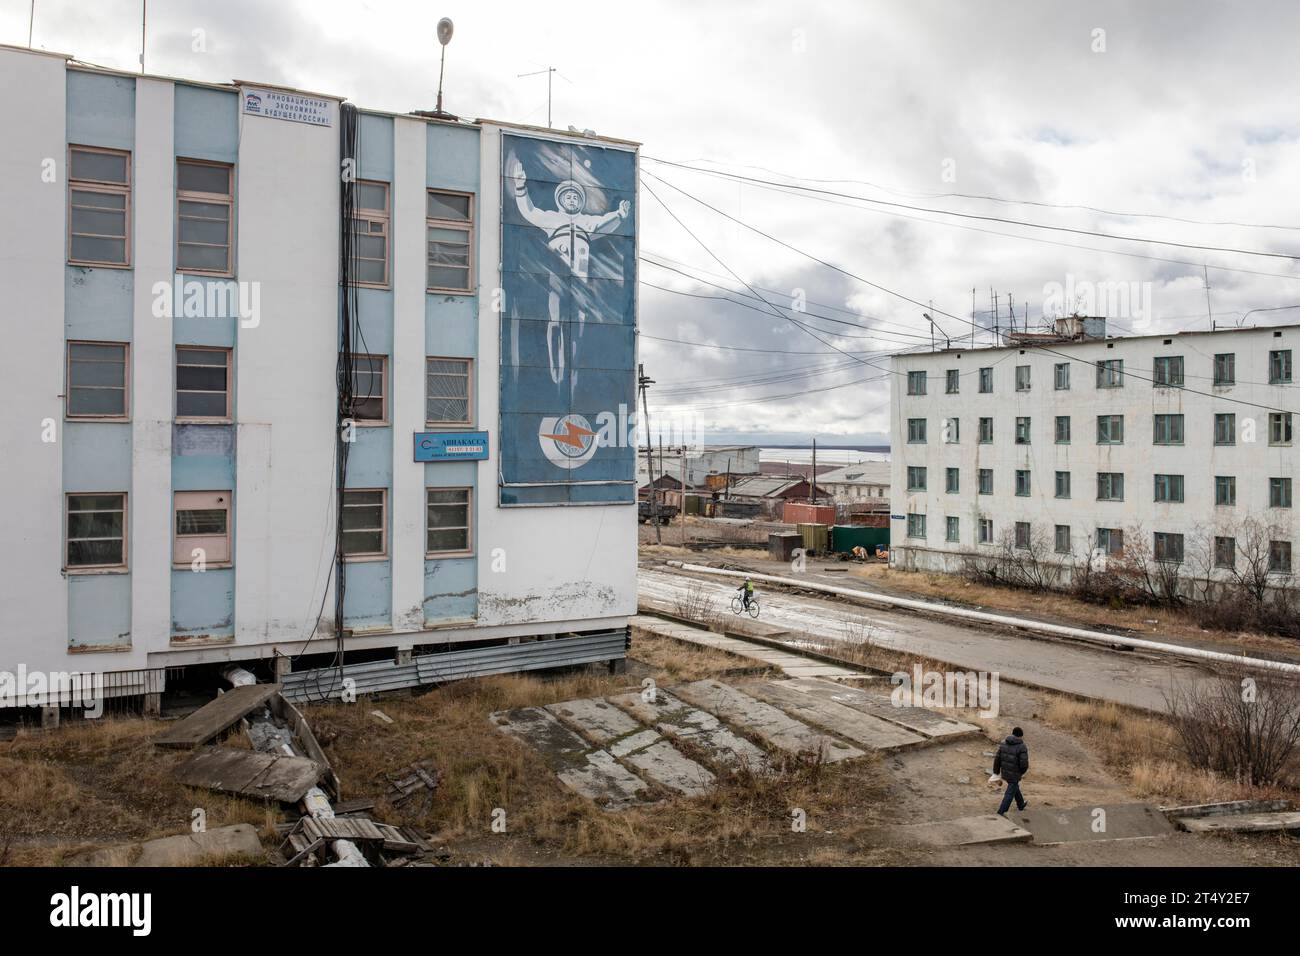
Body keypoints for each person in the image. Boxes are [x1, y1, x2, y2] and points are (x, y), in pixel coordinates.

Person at [992, 727, 1029, 816]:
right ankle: (1001, 812)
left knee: (1014, 787)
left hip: (1005, 772)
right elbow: (1024, 764)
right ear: (1020, 736)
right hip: (1015, 774)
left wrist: (996, 771)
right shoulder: (1022, 747)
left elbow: (997, 759)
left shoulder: (1003, 744)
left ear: (1012, 733)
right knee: (1009, 793)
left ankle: (1021, 804)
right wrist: (1021, 772)